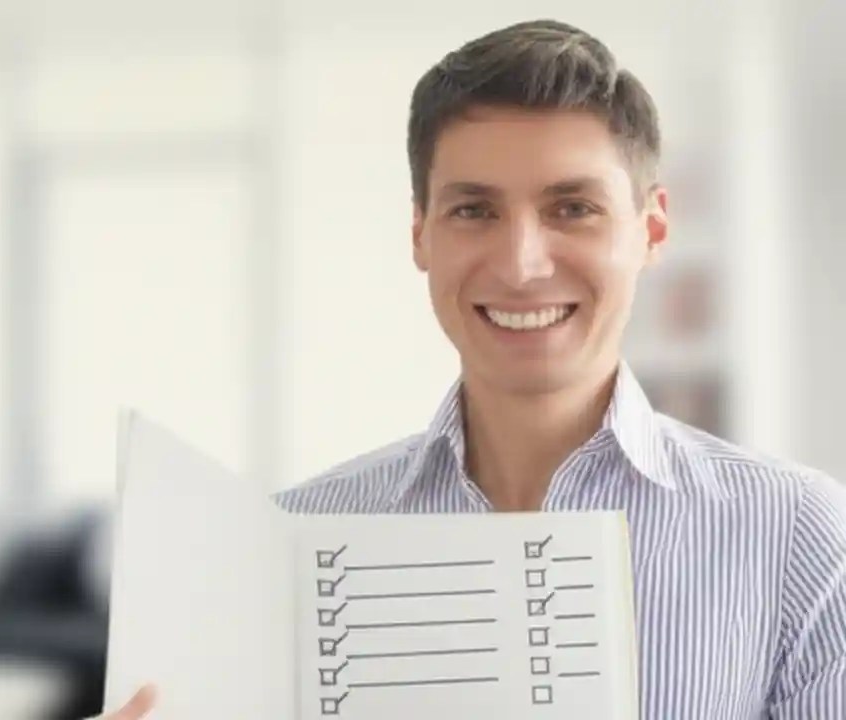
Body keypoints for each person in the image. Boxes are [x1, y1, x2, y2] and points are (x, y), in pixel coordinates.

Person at [100, 18, 846, 718]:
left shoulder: (797, 538)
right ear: (420, 234)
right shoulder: (286, 547)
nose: (522, 266)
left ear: (650, 230)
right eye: (474, 211)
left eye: (572, 208)